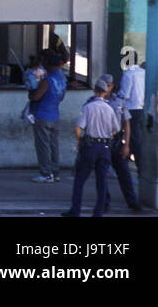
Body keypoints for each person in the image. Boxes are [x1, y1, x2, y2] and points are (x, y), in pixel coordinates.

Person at [62, 74, 119, 218]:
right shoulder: (109, 109)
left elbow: (78, 128)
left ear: (94, 91)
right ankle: (98, 212)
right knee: (102, 181)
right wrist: (106, 134)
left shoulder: (88, 107)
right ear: (106, 92)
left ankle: (75, 210)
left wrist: (79, 141)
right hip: (105, 147)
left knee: (80, 179)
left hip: (90, 146)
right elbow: (116, 129)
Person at [102, 76, 142, 212]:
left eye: (108, 85)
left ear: (112, 86)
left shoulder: (119, 101)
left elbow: (127, 123)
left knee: (124, 173)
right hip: (101, 141)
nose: (106, 87)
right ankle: (104, 202)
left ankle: (132, 202)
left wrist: (126, 145)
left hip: (117, 142)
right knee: (102, 174)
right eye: (103, 85)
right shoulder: (94, 101)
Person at [29, 49, 66, 182]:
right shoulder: (62, 78)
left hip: (43, 114)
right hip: (54, 114)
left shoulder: (47, 80)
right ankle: (55, 172)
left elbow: (36, 96)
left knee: (43, 146)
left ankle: (46, 173)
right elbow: (61, 97)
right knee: (54, 146)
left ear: (49, 64)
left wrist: (32, 92)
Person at [118, 61, 145, 176]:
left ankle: (138, 166)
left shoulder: (129, 74)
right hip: (144, 109)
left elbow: (125, 93)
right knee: (140, 137)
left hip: (131, 108)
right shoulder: (145, 74)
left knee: (133, 138)